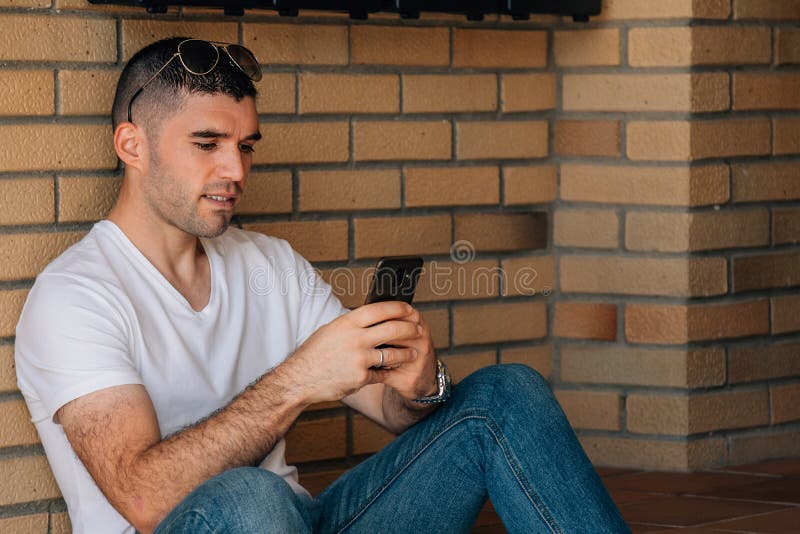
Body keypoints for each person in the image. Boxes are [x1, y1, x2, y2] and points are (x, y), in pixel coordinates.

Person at [15, 37, 630, 534]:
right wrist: (299, 381)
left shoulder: (268, 264)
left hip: (303, 522)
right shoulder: (76, 296)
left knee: (506, 394)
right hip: (226, 523)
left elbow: (389, 411)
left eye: (245, 147)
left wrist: (419, 387)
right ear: (132, 144)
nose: (235, 170)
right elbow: (143, 500)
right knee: (252, 498)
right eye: (207, 144)